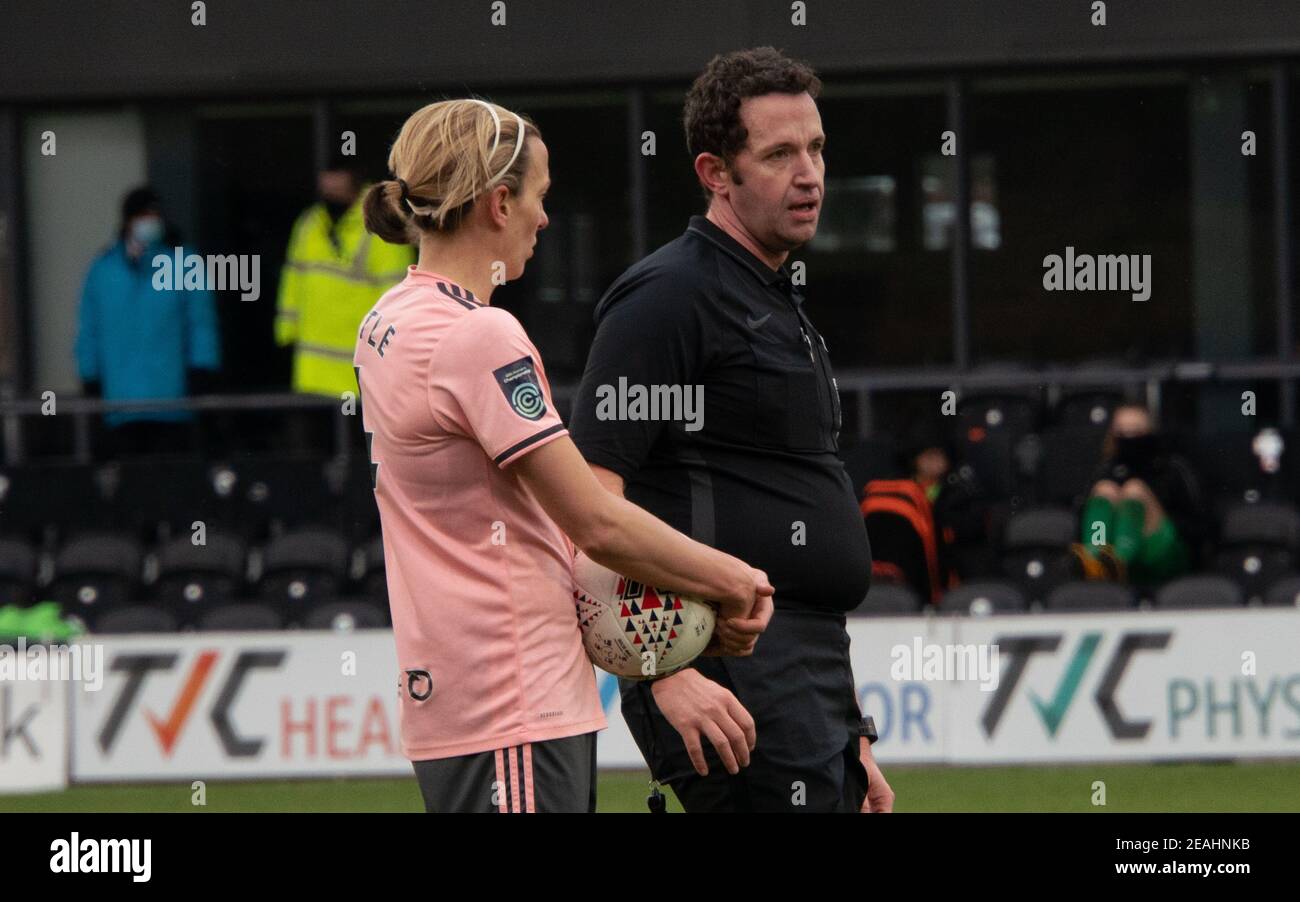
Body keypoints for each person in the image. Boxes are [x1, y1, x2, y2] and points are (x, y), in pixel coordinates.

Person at [354, 98, 774, 813]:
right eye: (540, 198)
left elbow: (537, 526)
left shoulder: (384, 323)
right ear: (499, 202)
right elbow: (593, 522)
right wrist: (735, 581)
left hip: (458, 703)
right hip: (514, 702)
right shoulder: (480, 335)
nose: (545, 220)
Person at [570, 48, 894, 812]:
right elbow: (589, 504)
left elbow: (798, 513)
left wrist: (853, 728)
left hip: (809, 672)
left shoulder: (774, 297)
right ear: (716, 172)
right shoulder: (668, 297)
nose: (810, 172)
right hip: (726, 674)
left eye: (815, 148)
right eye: (779, 154)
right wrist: (659, 673)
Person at [276, 155, 414, 450]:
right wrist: (286, 329)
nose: (329, 199)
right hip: (310, 372)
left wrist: (394, 351)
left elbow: (398, 295)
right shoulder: (309, 223)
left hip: (361, 373)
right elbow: (294, 276)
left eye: (336, 192)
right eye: (326, 191)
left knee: (357, 462)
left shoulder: (381, 225)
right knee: (309, 457)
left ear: (355, 185)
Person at [75, 186, 220, 457]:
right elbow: (89, 328)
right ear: (129, 219)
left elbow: (201, 322)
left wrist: (201, 369)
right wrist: (89, 375)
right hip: (120, 407)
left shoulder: (184, 263)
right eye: (144, 215)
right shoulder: (104, 269)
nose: (150, 222)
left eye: (155, 215)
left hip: (171, 404)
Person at [1075, 402, 1205, 586]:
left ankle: (1120, 560)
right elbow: (1083, 514)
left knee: (1134, 489)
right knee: (1105, 489)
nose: (1129, 440)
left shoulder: (1172, 468)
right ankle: (1095, 556)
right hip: (1110, 543)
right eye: (1122, 433)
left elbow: (1196, 522)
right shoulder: (1105, 470)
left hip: (1161, 550)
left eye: (1136, 432)